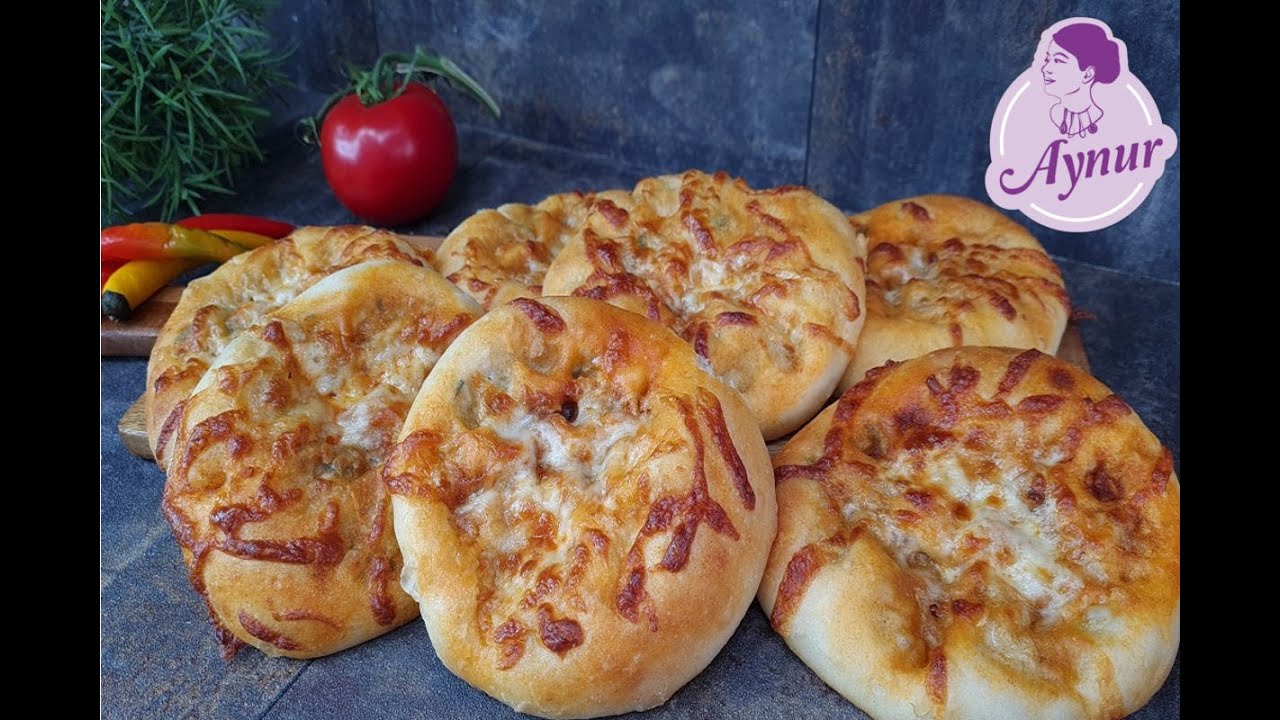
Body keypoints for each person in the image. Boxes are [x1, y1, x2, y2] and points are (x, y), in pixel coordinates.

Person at [1040, 23, 1121, 138]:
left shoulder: (1112, 120)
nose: (1045, 69)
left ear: (1087, 74)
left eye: (1058, 61)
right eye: (1047, 59)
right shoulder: (1043, 115)